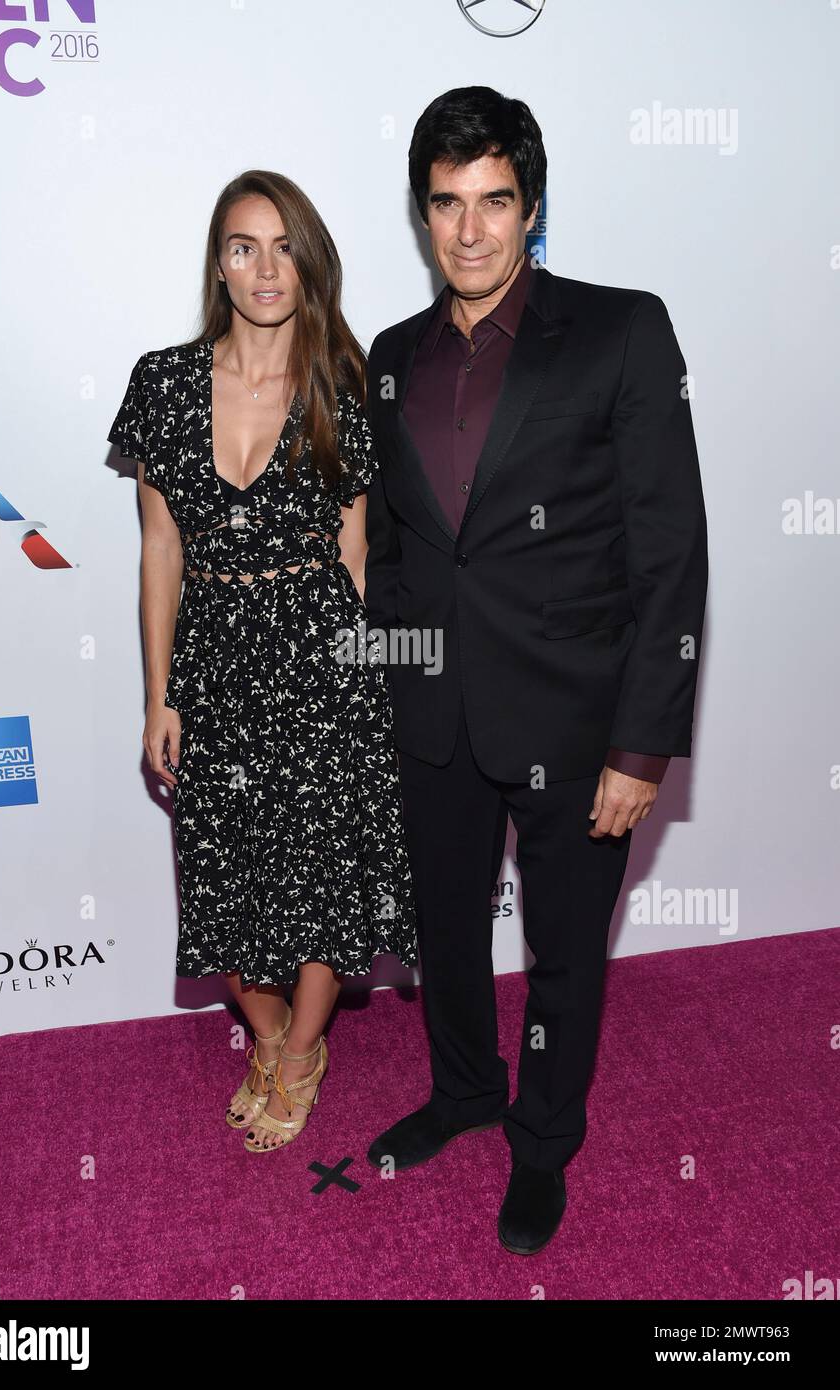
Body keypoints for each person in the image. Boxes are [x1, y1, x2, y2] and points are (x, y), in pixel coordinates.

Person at [364, 88, 708, 1253]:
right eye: (445, 204)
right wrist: (389, 686)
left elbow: (669, 552)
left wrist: (640, 747)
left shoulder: (621, 331)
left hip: (574, 719)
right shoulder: (391, 357)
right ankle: (464, 1090)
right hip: (433, 718)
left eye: (494, 201)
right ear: (421, 213)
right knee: (445, 931)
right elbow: (400, 558)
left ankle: (542, 1139)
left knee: (561, 955)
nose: (469, 231)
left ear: (530, 206)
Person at [107, 169, 419, 1153]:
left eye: (285, 247)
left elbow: (356, 555)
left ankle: (301, 1053)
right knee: (222, 872)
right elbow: (160, 549)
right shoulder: (163, 383)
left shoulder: (343, 385)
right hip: (211, 661)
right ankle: (271, 1034)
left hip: (322, 661)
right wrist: (159, 695)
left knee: (321, 876)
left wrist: (368, 687)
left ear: (309, 263)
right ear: (219, 265)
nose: (266, 268)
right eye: (244, 247)